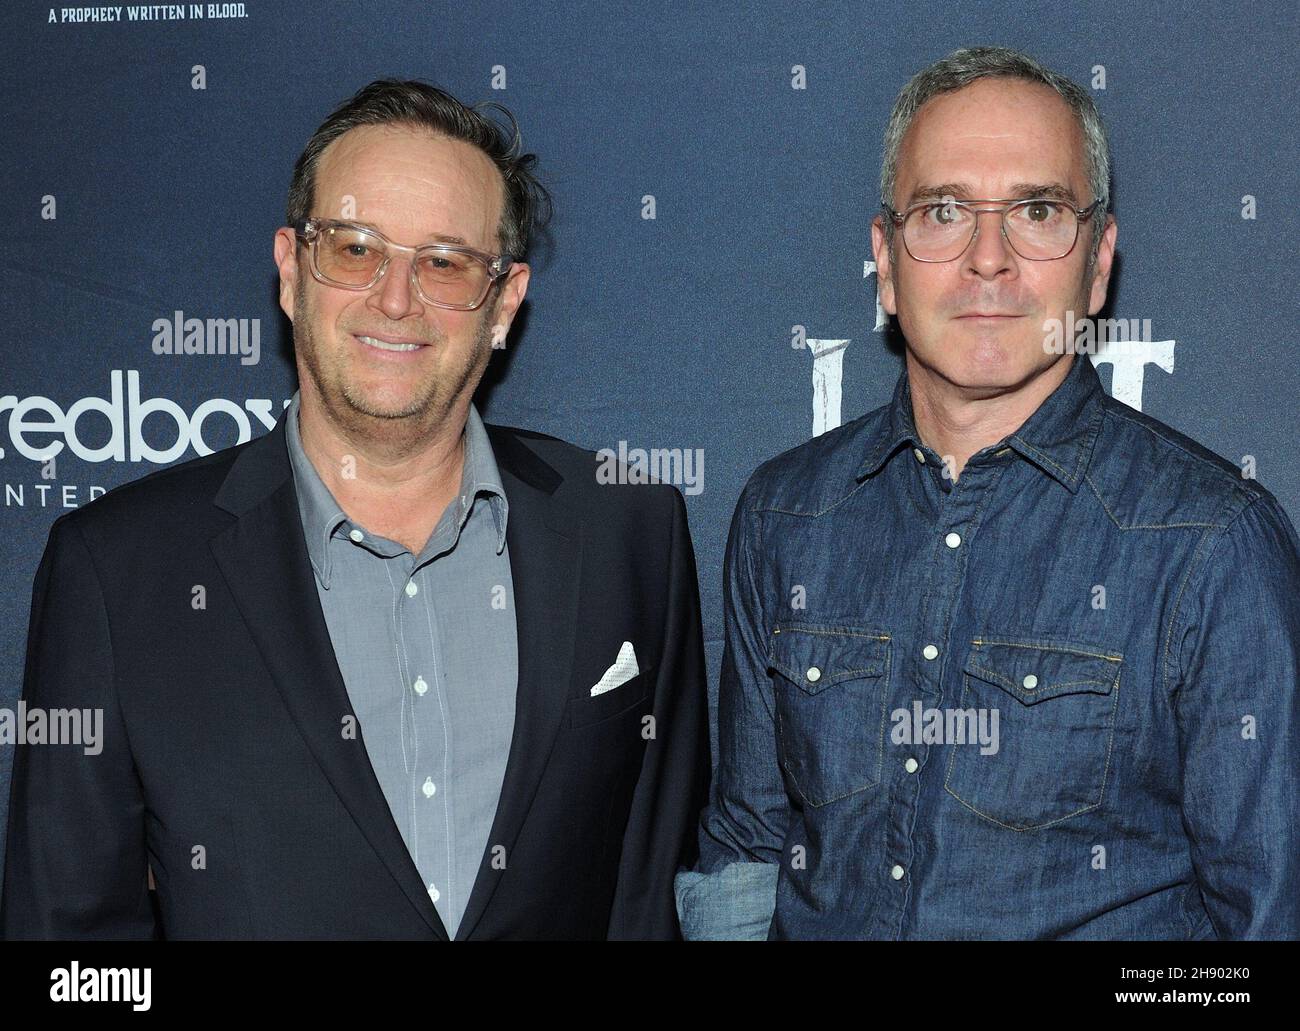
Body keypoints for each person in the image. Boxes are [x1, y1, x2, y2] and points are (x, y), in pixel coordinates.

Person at [2, 79, 709, 940]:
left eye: (445, 262)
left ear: (504, 302)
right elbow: (70, 949)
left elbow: (644, 899)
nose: (396, 297)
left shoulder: (628, 528)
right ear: (292, 271)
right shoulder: (117, 570)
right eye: (354, 248)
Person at [677, 46, 1300, 940]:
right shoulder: (785, 514)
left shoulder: (1213, 542)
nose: (988, 260)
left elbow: (1266, 922)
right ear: (885, 260)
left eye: (1037, 210)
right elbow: (747, 850)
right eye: (943, 212)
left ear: (1098, 262)